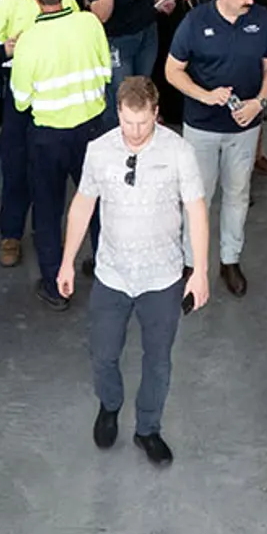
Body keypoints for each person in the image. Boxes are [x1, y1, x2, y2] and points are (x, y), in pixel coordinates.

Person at [58, 77, 210, 464]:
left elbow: (196, 210)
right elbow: (82, 205)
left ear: (156, 113)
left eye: (143, 122)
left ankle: (148, 429)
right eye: (128, 122)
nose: (135, 131)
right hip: (112, 274)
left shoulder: (179, 152)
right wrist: (67, 261)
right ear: (118, 113)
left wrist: (201, 271)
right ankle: (109, 405)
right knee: (103, 354)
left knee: (158, 360)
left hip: (162, 277)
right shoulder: (99, 150)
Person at [167, 0, 267, 297]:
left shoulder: (260, 19)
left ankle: (230, 259)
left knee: (238, 193)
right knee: (197, 196)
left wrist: (259, 102)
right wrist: (204, 95)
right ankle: (192, 263)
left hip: (245, 128)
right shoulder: (195, 22)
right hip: (201, 127)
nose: (250, 0)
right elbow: (173, 70)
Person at [10, 0, 114, 310]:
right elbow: (106, 73)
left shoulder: (29, 40)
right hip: (92, 132)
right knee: (96, 204)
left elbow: (21, 100)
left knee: (48, 209)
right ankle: (104, 268)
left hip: (48, 137)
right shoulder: (90, 23)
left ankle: (56, 285)